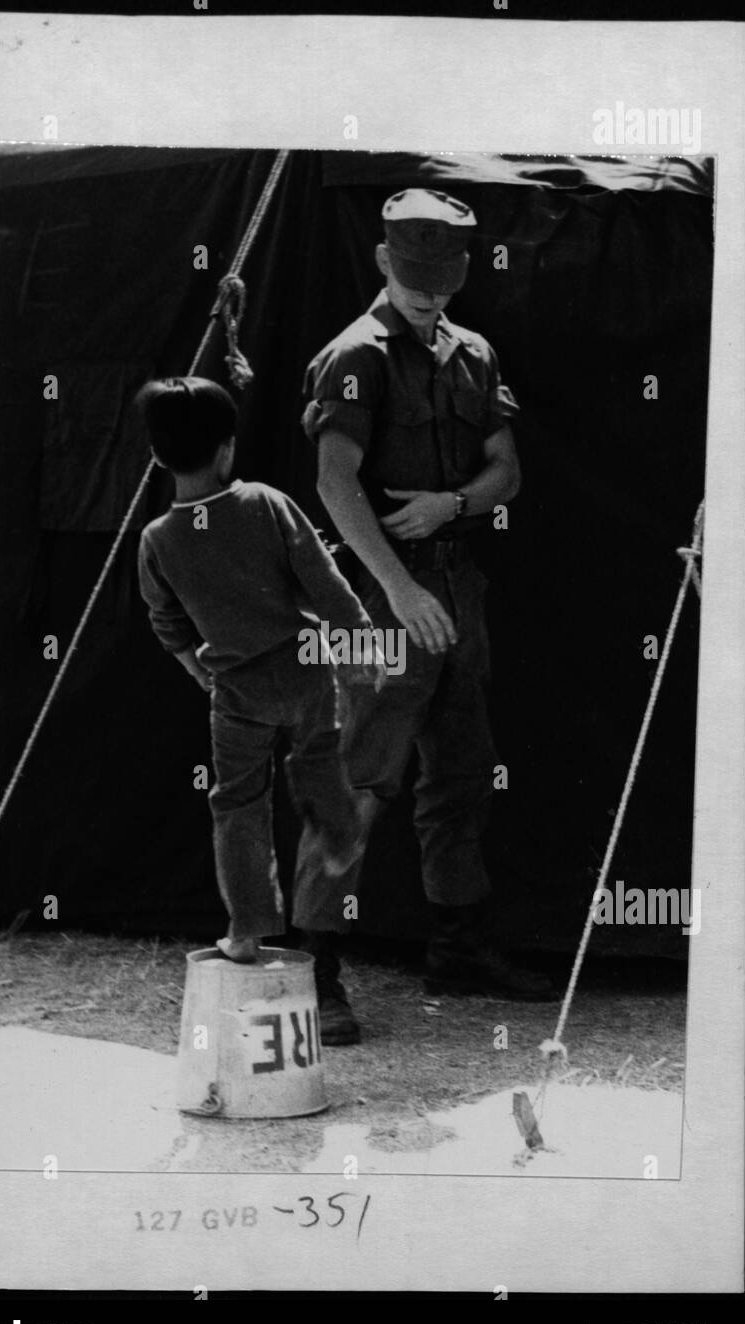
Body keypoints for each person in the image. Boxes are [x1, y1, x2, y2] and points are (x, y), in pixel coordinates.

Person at [298, 187, 556, 1036]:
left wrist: (452, 505)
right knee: (360, 778)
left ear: (464, 271)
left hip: (457, 584)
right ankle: (318, 970)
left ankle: (457, 947)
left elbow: (504, 471)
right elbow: (335, 483)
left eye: (442, 279)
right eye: (413, 275)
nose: (427, 294)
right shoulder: (357, 355)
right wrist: (398, 593)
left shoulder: (473, 352)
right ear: (382, 260)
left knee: (460, 773)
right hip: (381, 593)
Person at [136, 377, 383, 1041]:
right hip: (302, 669)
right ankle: (338, 828)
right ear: (226, 450)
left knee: (239, 803)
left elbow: (167, 623)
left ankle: (246, 928)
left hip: (236, 690)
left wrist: (199, 671)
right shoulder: (267, 504)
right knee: (318, 754)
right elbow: (326, 585)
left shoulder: (158, 539)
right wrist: (361, 643)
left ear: (158, 457)